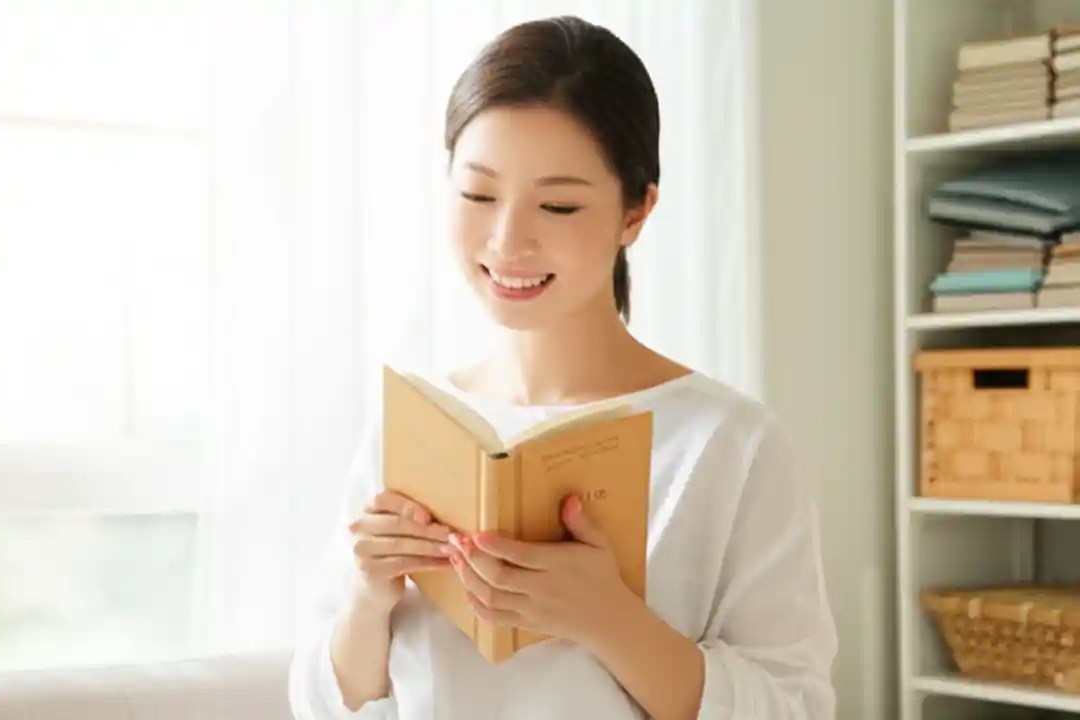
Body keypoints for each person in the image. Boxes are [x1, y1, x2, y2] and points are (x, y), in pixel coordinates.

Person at [289, 15, 837, 720]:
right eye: (478, 195)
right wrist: (369, 598)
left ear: (636, 212)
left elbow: (793, 707)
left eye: (558, 205)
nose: (506, 240)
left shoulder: (732, 446)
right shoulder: (412, 431)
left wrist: (609, 618)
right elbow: (322, 702)